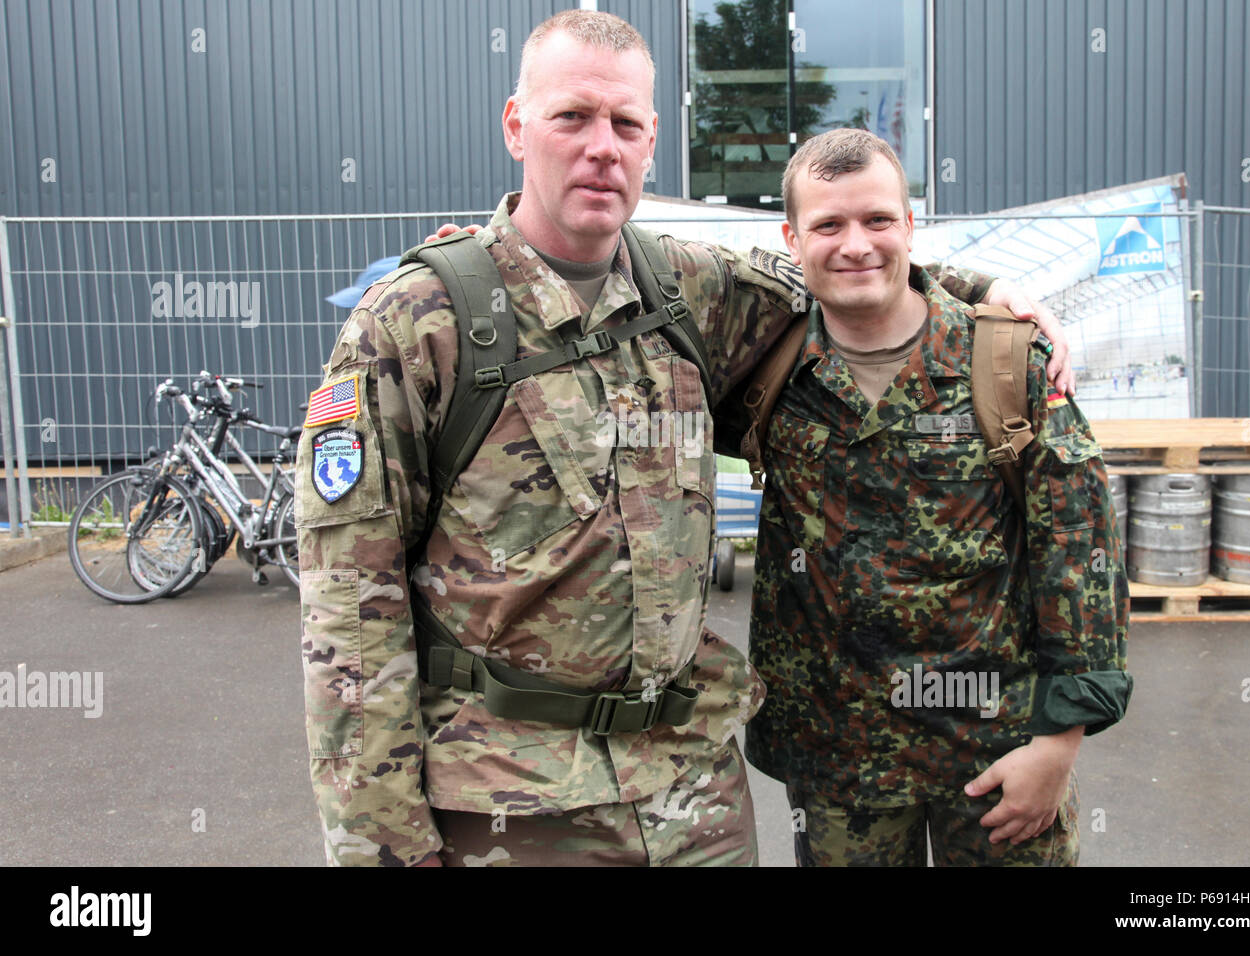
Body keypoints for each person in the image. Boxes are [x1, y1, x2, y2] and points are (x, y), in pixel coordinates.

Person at [296, 10, 1069, 867]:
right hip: (515, 809)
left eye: (626, 123)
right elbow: (350, 613)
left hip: (693, 799)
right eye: (573, 117)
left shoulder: (685, 287)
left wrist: (993, 294)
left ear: (652, 139)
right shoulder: (419, 323)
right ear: (517, 126)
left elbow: (843, 275)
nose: (603, 146)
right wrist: (384, 847)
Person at [736, 128, 1131, 866]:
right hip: (839, 763)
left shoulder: (1006, 361)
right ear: (793, 238)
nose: (856, 244)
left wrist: (1056, 747)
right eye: (829, 225)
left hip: (993, 751)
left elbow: (1081, 559)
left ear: (910, 226)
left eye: (878, 220)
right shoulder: (765, 361)